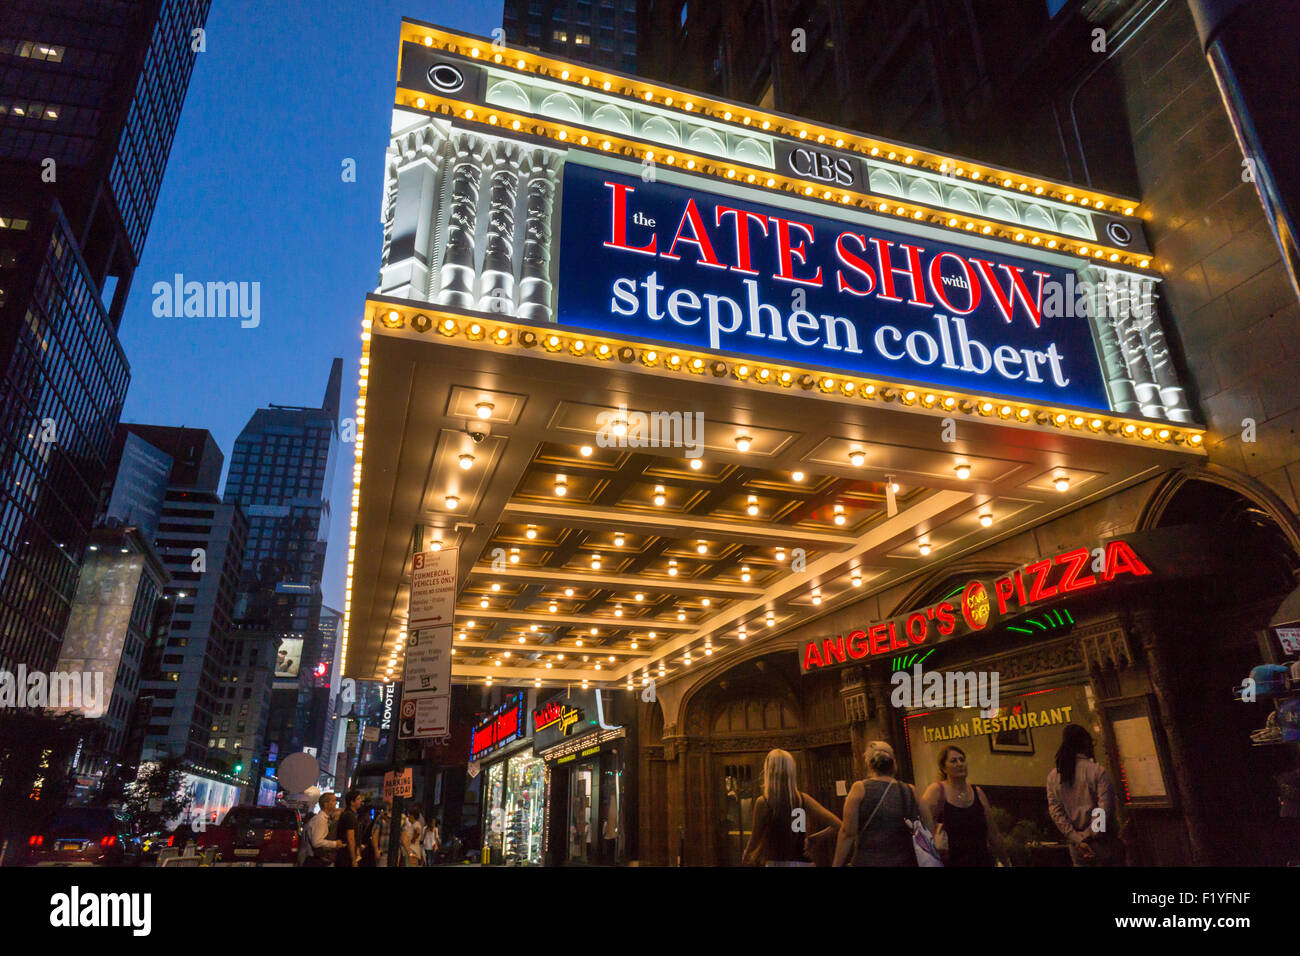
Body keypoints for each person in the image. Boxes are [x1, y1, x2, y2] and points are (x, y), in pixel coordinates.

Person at [834, 740, 937, 866]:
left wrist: (836, 864)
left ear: (869, 764)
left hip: (868, 861)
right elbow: (929, 823)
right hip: (905, 861)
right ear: (894, 763)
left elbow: (847, 833)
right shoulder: (910, 790)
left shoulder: (860, 788)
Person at [742, 749, 840, 866]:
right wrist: (813, 839)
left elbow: (754, 840)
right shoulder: (802, 800)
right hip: (802, 863)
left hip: (776, 863)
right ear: (791, 771)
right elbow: (837, 824)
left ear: (769, 771)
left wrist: (746, 856)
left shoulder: (764, 803)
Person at [1047, 723, 1124, 866]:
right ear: (1085, 742)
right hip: (1103, 844)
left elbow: (1056, 812)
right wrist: (1090, 835)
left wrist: (1078, 839)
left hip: (1078, 849)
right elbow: (1104, 809)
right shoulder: (1097, 771)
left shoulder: (1053, 777)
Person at [921, 745, 1010, 867]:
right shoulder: (937, 791)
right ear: (943, 768)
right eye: (954, 761)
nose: (959, 764)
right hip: (950, 862)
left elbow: (993, 834)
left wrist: (1005, 861)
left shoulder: (977, 792)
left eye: (962, 760)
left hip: (981, 860)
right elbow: (922, 830)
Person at [303, 793, 342, 866]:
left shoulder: (323, 819)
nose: (336, 803)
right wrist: (335, 844)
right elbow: (316, 842)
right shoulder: (320, 820)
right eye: (333, 801)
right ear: (326, 804)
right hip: (315, 862)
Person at [335, 789, 363, 867]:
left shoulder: (351, 815)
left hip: (346, 854)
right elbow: (350, 838)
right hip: (346, 856)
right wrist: (353, 859)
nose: (360, 801)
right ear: (352, 802)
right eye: (358, 799)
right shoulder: (349, 816)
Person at [371, 799, 392, 867]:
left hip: (396, 853)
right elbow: (375, 834)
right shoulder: (381, 817)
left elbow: (404, 836)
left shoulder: (401, 818)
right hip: (383, 852)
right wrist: (376, 849)